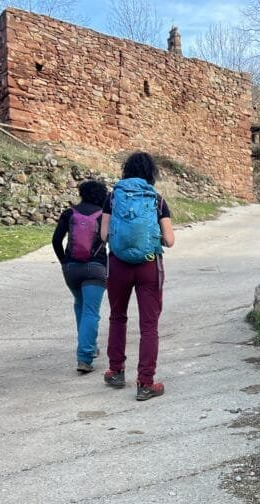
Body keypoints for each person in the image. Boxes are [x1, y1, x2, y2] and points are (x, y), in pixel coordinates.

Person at [100, 151, 175, 401]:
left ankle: (116, 371)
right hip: (149, 265)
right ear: (150, 173)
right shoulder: (157, 199)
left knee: (117, 317)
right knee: (149, 325)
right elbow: (171, 241)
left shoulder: (113, 198)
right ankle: (145, 383)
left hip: (118, 264)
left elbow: (103, 235)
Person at [52, 179, 109, 373]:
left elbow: (56, 240)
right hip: (96, 268)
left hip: (71, 268)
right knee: (91, 312)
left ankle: (89, 348)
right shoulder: (104, 216)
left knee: (80, 305)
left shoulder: (69, 213)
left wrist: (64, 262)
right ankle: (85, 356)